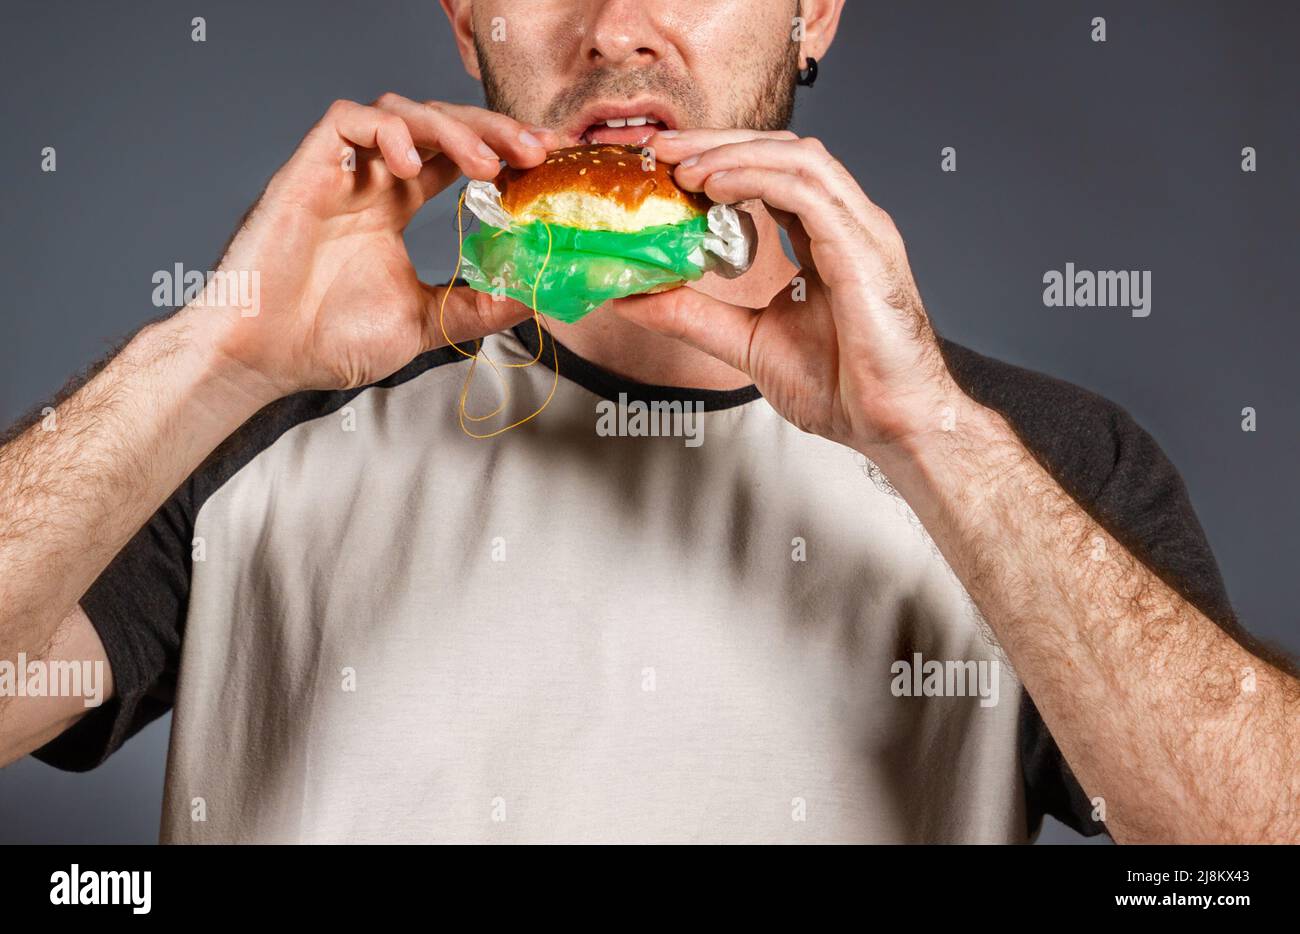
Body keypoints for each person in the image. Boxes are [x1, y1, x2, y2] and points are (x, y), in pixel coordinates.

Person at [0, 0, 1294, 843]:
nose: (618, 28)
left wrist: (931, 439)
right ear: (465, 18)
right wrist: (216, 351)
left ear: (813, 13)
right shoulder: (248, 425)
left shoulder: (1034, 462)